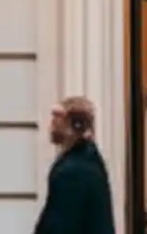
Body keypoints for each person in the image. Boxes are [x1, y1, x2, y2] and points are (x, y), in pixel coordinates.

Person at [34, 96, 115, 234]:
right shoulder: (89, 160)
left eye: (57, 119)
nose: (51, 125)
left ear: (73, 125)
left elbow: (61, 225)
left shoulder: (71, 171)